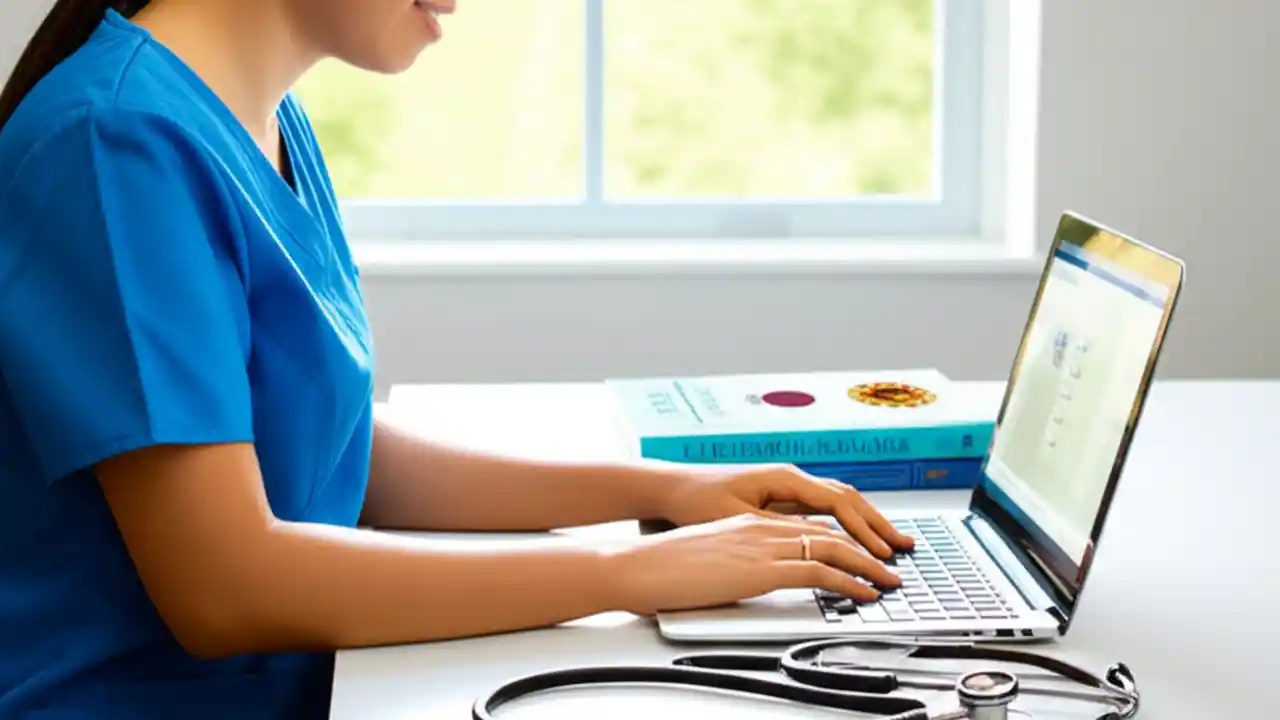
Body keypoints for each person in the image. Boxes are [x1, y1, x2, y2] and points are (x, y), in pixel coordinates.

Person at [0, 1, 914, 717]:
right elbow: (227, 589)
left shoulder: (257, 116)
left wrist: (659, 494)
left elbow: (342, 455)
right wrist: (625, 576)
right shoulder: (114, 144)